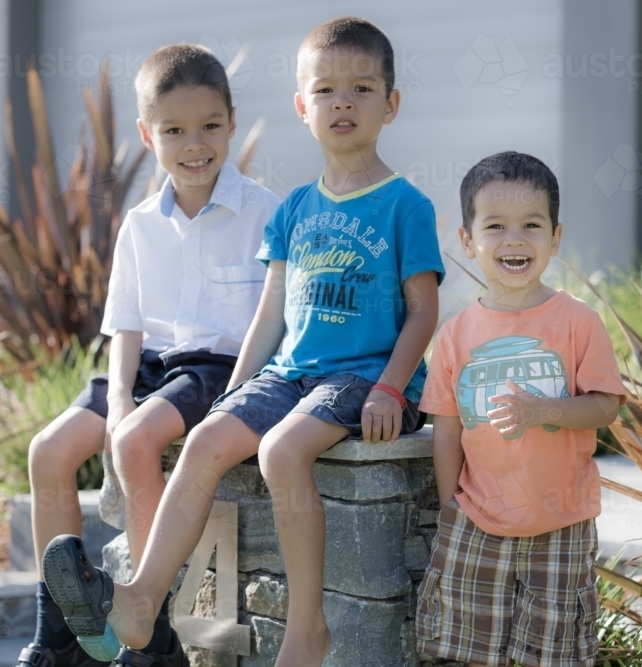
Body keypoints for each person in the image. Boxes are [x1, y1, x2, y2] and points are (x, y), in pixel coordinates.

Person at [40, 16, 444, 667]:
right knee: (205, 439)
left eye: (362, 88)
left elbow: (424, 313)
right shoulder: (294, 211)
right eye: (326, 90)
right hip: (291, 373)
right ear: (301, 107)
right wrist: (233, 398)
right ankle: (141, 600)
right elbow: (266, 316)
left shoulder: (405, 205)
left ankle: (306, 628)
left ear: (390, 104)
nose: (342, 102)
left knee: (282, 449)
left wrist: (394, 386)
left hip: (362, 375)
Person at [19, 44, 279, 667]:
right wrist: (114, 402)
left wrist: (130, 423)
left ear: (232, 121)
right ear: (146, 134)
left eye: (210, 126)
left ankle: (151, 631)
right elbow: (126, 329)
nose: (196, 144)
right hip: (146, 367)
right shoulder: (139, 224)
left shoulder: (266, 213)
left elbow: (267, 324)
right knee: (48, 451)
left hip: (214, 370)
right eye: (174, 131)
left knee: (136, 442)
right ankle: (61, 633)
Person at [415, 152, 627, 667]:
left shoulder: (578, 322)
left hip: (561, 520)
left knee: (552, 652)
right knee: (467, 647)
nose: (514, 240)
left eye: (531, 225)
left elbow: (605, 407)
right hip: (478, 519)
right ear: (469, 241)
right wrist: (450, 507)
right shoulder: (455, 336)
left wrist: (543, 411)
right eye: (495, 227)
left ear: (555, 238)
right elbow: (446, 431)